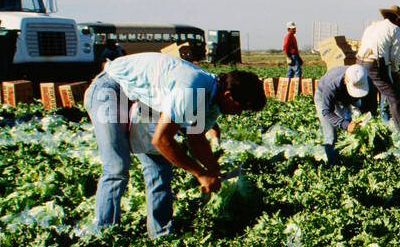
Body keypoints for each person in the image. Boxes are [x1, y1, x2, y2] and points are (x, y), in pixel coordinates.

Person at [84, 52, 265, 237]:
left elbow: (195, 137)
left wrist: (214, 171)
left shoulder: (212, 100)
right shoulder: (192, 89)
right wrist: (200, 173)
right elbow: (162, 140)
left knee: (159, 167)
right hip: (111, 89)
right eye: (240, 107)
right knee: (117, 167)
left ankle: (160, 236)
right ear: (228, 95)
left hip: (145, 101)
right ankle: (104, 234)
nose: (239, 113)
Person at [356, 5, 400, 137]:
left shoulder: (372, 26)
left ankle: (365, 132)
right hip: (374, 64)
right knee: (394, 98)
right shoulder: (395, 29)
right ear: (397, 19)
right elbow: (394, 56)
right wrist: (395, 73)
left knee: (368, 99)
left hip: (360, 63)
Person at [314, 63, 372, 165]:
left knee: (358, 126)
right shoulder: (331, 85)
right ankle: (333, 165)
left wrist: (365, 118)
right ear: (346, 81)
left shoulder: (366, 79)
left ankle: (357, 159)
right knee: (330, 134)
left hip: (346, 96)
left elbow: (370, 106)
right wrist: (346, 125)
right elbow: (327, 112)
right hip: (323, 95)